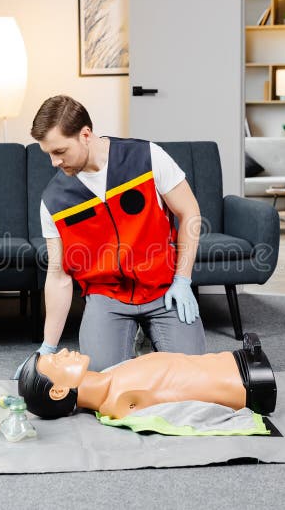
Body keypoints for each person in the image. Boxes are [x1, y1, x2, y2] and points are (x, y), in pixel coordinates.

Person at [15, 95, 206, 375]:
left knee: (191, 375)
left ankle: (148, 341)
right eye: (49, 154)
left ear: (85, 135)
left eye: (60, 151)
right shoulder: (54, 201)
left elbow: (189, 212)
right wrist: (47, 348)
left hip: (163, 289)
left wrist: (183, 279)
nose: (54, 162)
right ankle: (137, 345)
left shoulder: (147, 157)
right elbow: (58, 276)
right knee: (104, 380)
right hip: (107, 297)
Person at [17, 332, 277, 420]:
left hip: (238, 363)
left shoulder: (114, 377)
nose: (63, 350)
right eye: (55, 360)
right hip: (248, 381)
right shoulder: (120, 400)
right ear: (59, 391)